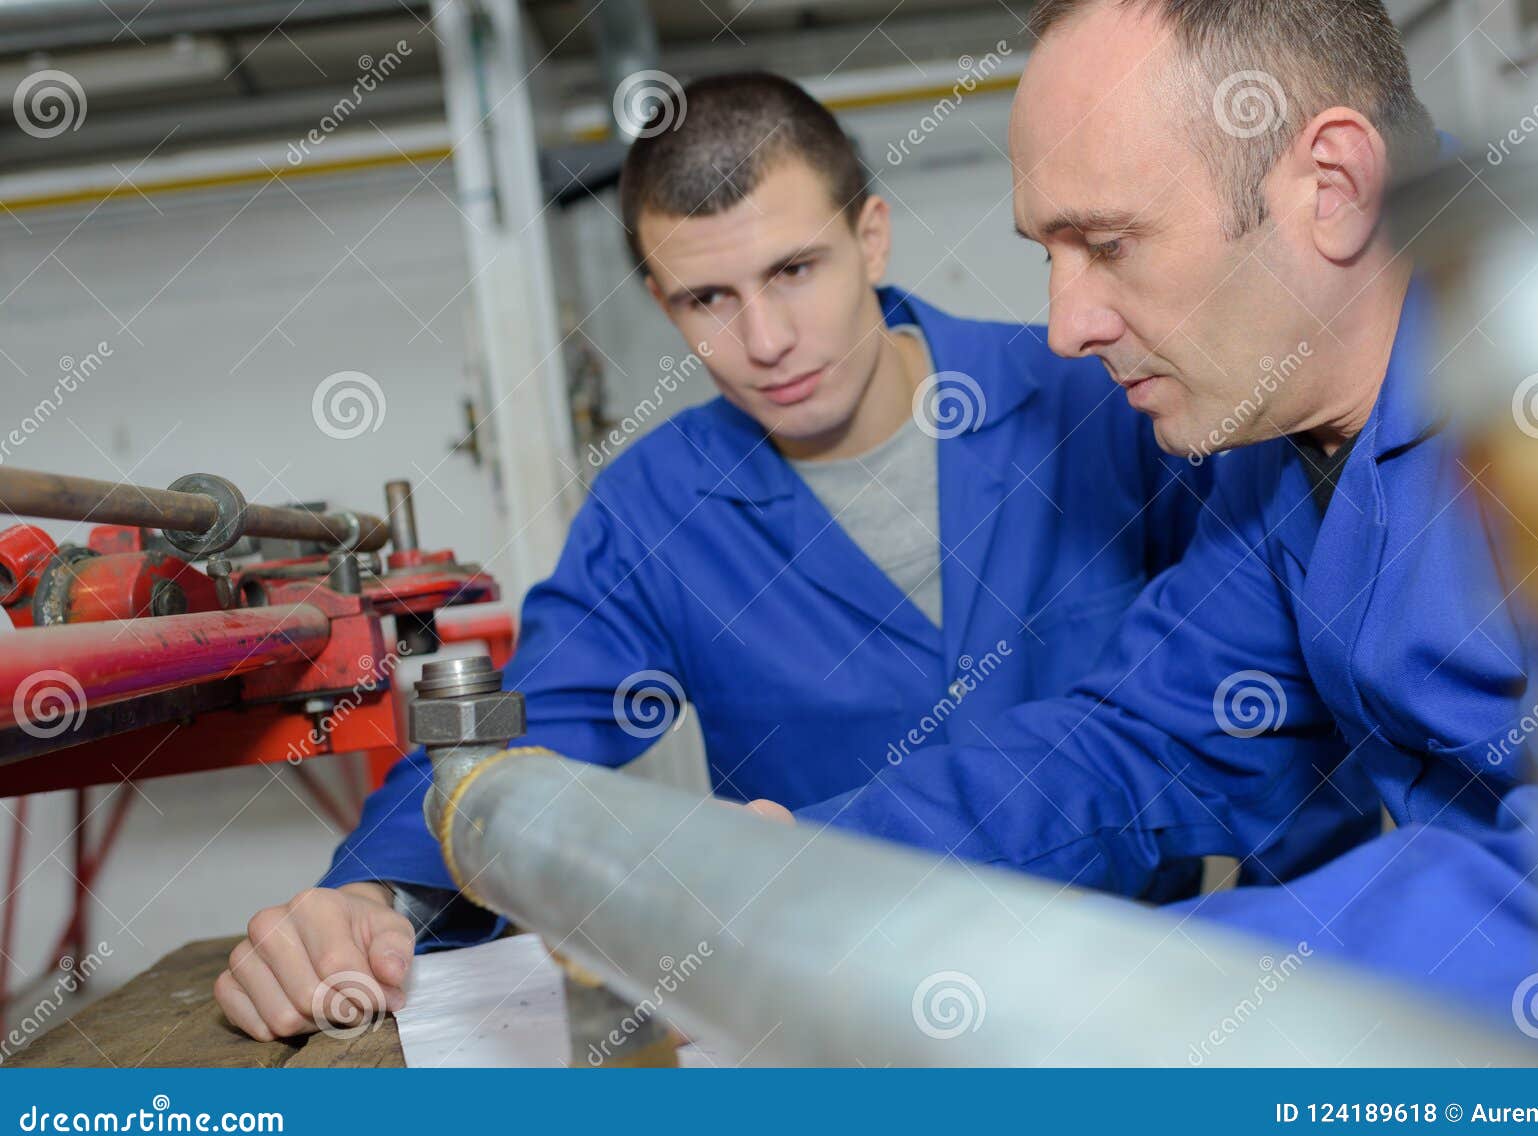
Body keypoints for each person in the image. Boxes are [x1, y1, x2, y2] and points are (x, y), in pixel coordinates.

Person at [214, 71, 1217, 1042]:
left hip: (1136, 996)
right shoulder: (659, 507)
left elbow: (1255, 684)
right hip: (838, 1024)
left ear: (869, 236)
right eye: (708, 300)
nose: (767, 340)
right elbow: (533, 733)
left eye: (792, 271)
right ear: (661, 303)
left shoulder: (1094, 402)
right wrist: (367, 895)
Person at [763, 0, 1538, 1026]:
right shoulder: (1277, 434)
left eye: (1106, 244)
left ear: (1331, 187)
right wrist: (813, 862)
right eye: (1047, 254)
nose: (1064, 328)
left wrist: (1087, 999)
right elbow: (1148, 742)